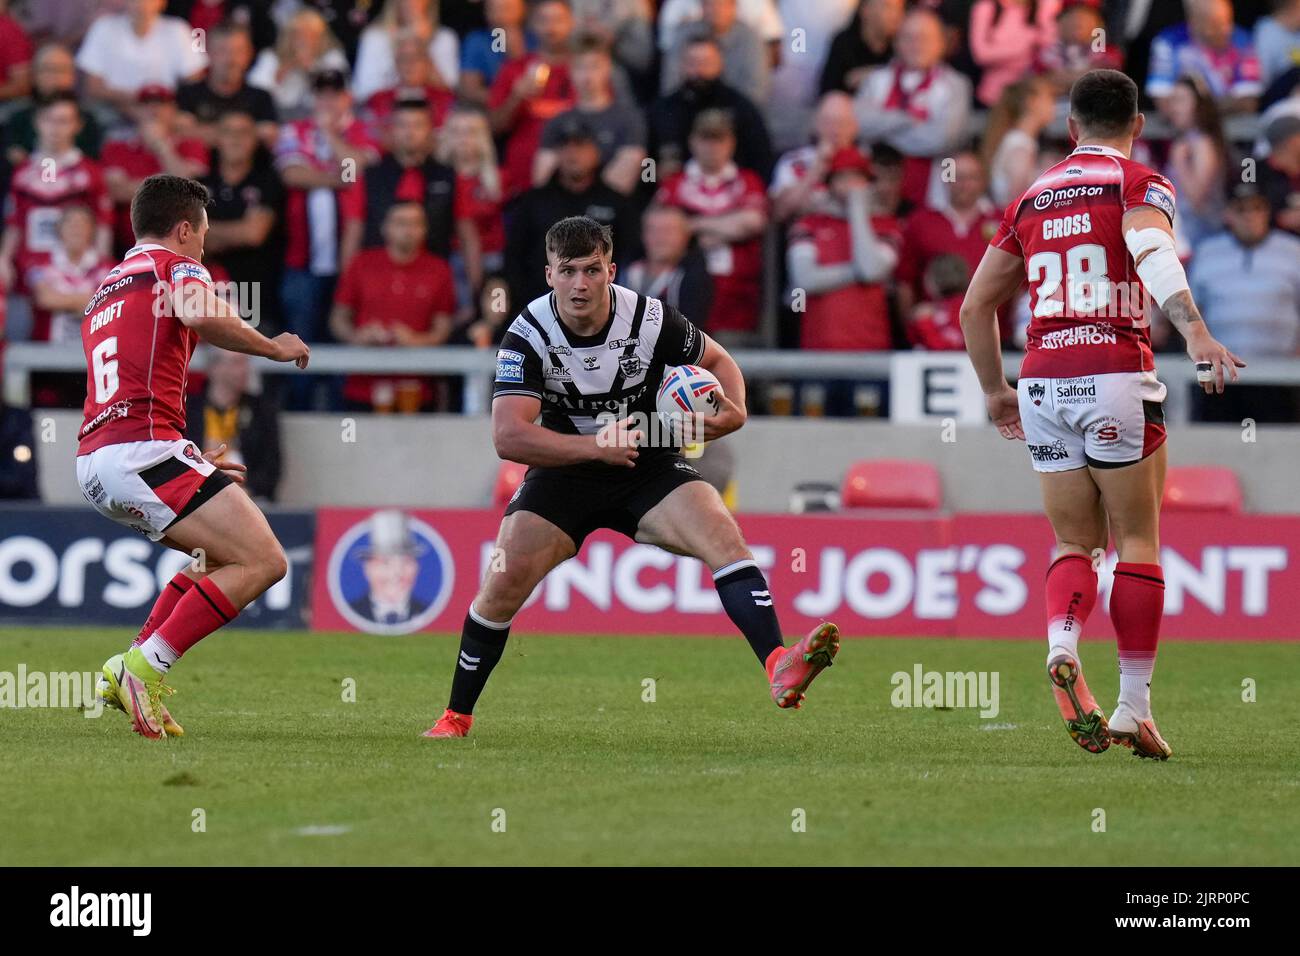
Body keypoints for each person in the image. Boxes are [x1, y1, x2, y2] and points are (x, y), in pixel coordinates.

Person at [422, 215, 841, 739]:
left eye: (592, 270)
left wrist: (735, 410)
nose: (581, 284)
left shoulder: (648, 317)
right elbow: (508, 437)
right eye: (568, 271)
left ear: (611, 270)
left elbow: (717, 357)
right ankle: (456, 717)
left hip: (649, 462)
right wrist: (593, 446)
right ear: (549, 274)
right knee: (502, 585)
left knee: (724, 538)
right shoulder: (527, 334)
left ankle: (780, 661)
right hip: (565, 475)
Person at [959, 69, 1244, 761]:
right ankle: (1132, 707)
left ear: (1070, 128)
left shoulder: (1032, 196)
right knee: (1136, 542)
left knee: (1071, 544)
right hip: (1114, 372)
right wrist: (1196, 328)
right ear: (1138, 126)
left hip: (1043, 378)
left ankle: (1062, 642)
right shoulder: (1140, 183)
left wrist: (995, 391)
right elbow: (1150, 249)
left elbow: (975, 308)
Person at [82, 174, 310, 740]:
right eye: (202, 235)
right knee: (265, 562)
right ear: (184, 229)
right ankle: (147, 667)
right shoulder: (174, 267)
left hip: (100, 458)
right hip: (142, 453)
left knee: (215, 556)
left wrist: (183, 453)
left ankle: (125, 666)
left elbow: (130, 378)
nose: (203, 248)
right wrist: (271, 346)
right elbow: (202, 315)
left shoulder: (106, 287)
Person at [1187, 180, 1300, 421]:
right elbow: (1192, 310)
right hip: (1221, 376)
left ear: (1267, 212)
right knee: (1216, 446)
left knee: (1280, 447)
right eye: (1241, 209)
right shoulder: (1208, 252)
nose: (1250, 216)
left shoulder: (1293, 251)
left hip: (1280, 376)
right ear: (1228, 213)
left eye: (1257, 208)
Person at [330, 202, 457, 412]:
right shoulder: (362, 263)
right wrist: (358, 336)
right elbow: (338, 318)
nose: (408, 230)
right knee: (356, 444)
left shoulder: (439, 270)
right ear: (385, 227)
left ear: (425, 229)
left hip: (416, 388)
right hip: (362, 386)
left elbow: (443, 328)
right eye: (401, 223)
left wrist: (415, 340)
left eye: (416, 223)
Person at [654, 109, 768, 340]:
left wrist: (693, 225)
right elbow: (662, 228)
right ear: (693, 141)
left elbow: (752, 223)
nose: (712, 147)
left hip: (736, 301)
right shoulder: (675, 183)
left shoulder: (748, 181)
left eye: (719, 139)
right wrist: (726, 226)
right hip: (683, 299)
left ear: (731, 143)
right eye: (706, 138)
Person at [504, 118, 641, 308]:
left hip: (601, 308)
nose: (572, 153)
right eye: (565, 146)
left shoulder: (617, 203)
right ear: (557, 153)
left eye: (580, 146)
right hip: (540, 305)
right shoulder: (533, 202)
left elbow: (630, 256)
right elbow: (514, 257)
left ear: (596, 152)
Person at [853, 8, 973, 209]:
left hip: (932, 189)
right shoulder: (876, 79)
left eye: (925, 38)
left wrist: (883, 130)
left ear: (941, 44)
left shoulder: (956, 85)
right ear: (896, 42)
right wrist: (907, 120)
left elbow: (941, 139)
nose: (917, 45)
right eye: (909, 37)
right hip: (875, 186)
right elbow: (859, 124)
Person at [100, 85, 210, 255]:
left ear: (173, 110)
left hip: (181, 246)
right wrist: (170, 185)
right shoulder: (116, 148)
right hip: (128, 247)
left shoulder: (191, 145)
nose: (154, 109)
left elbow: (190, 189)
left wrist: (161, 146)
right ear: (136, 110)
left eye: (161, 104)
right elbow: (116, 191)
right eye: (146, 104)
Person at [533, 35, 646, 195]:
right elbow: (542, 182)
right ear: (570, 71)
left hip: (609, 212)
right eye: (580, 67)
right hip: (562, 213)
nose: (587, 76)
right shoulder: (557, 121)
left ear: (607, 68)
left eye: (594, 66)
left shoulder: (629, 119)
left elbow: (622, 182)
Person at [488, 0, 577, 201]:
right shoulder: (514, 69)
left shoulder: (585, 70)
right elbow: (494, 126)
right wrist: (516, 97)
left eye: (558, 20)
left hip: (574, 181)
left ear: (571, 23)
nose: (551, 27)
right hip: (522, 182)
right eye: (543, 20)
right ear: (532, 25)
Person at [185, 349, 284, 502]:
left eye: (246, 362)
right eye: (236, 363)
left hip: (249, 498)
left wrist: (248, 491)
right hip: (196, 497)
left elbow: (271, 467)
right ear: (214, 368)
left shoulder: (261, 410)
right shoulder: (188, 410)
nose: (244, 369)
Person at [75, 0, 207, 112]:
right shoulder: (103, 27)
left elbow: (194, 78)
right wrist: (136, 102)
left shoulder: (179, 29)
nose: (142, 3)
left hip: (165, 112)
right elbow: (93, 87)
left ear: (162, 2)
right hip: (114, 110)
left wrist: (163, 107)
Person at [175, 21, 280, 150]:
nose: (231, 59)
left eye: (239, 51)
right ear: (207, 53)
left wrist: (204, 131)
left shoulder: (261, 97)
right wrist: (247, 132)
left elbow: (269, 136)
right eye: (222, 51)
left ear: (249, 54)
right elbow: (182, 133)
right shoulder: (188, 93)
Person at [1145, 0, 1262, 115]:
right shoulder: (1169, 41)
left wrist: (1199, 110)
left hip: (1233, 127)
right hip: (1180, 129)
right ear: (1194, 21)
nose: (1225, 30)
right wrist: (1225, 104)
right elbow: (1163, 101)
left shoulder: (1243, 41)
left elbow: (1248, 102)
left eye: (1227, 22)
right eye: (1215, 25)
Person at [1159, 75, 1230, 253]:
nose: (1174, 107)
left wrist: (1180, 162)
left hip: (1202, 238)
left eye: (1181, 100)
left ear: (1199, 105)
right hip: (1184, 233)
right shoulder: (1186, 141)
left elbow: (1197, 200)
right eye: (1172, 100)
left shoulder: (1202, 143)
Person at [247, 8, 351, 121]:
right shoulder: (270, 57)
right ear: (288, 36)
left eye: (312, 35)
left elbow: (338, 91)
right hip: (277, 114)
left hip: (318, 116)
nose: (305, 40)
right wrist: (284, 70)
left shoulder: (332, 57)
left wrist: (311, 70)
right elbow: (256, 90)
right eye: (299, 34)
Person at [621, 202, 715, 323]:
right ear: (642, 235)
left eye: (668, 231)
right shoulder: (625, 271)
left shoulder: (695, 279)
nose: (659, 237)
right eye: (652, 230)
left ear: (686, 236)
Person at [662, 1, 769, 105]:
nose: (716, 10)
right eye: (710, 4)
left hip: (734, 111)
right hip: (688, 108)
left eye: (722, 4)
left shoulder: (751, 38)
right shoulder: (684, 33)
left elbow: (756, 89)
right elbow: (671, 82)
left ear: (734, 7)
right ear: (701, 7)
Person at [352, 0, 460, 103]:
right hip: (385, 112)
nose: (412, 2)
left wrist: (423, 45)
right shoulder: (374, 37)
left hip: (434, 113)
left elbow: (450, 93)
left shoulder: (445, 38)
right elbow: (363, 92)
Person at [981, 76, 1057, 208]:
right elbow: (1016, 203)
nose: (1054, 106)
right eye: (1050, 98)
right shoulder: (1020, 146)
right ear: (1032, 102)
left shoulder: (1021, 142)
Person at [968, 0, 1061, 108]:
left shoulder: (1042, 7)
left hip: (1033, 96)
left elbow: (1051, 47)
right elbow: (981, 55)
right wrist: (1027, 43)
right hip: (995, 96)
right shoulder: (988, 7)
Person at [819, 0, 905, 96]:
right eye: (888, 7)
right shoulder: (844, 44)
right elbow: (827, 92)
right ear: (865, 10)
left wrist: (873, 76)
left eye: (899, 8)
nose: (895, 14)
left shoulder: (901, 47)